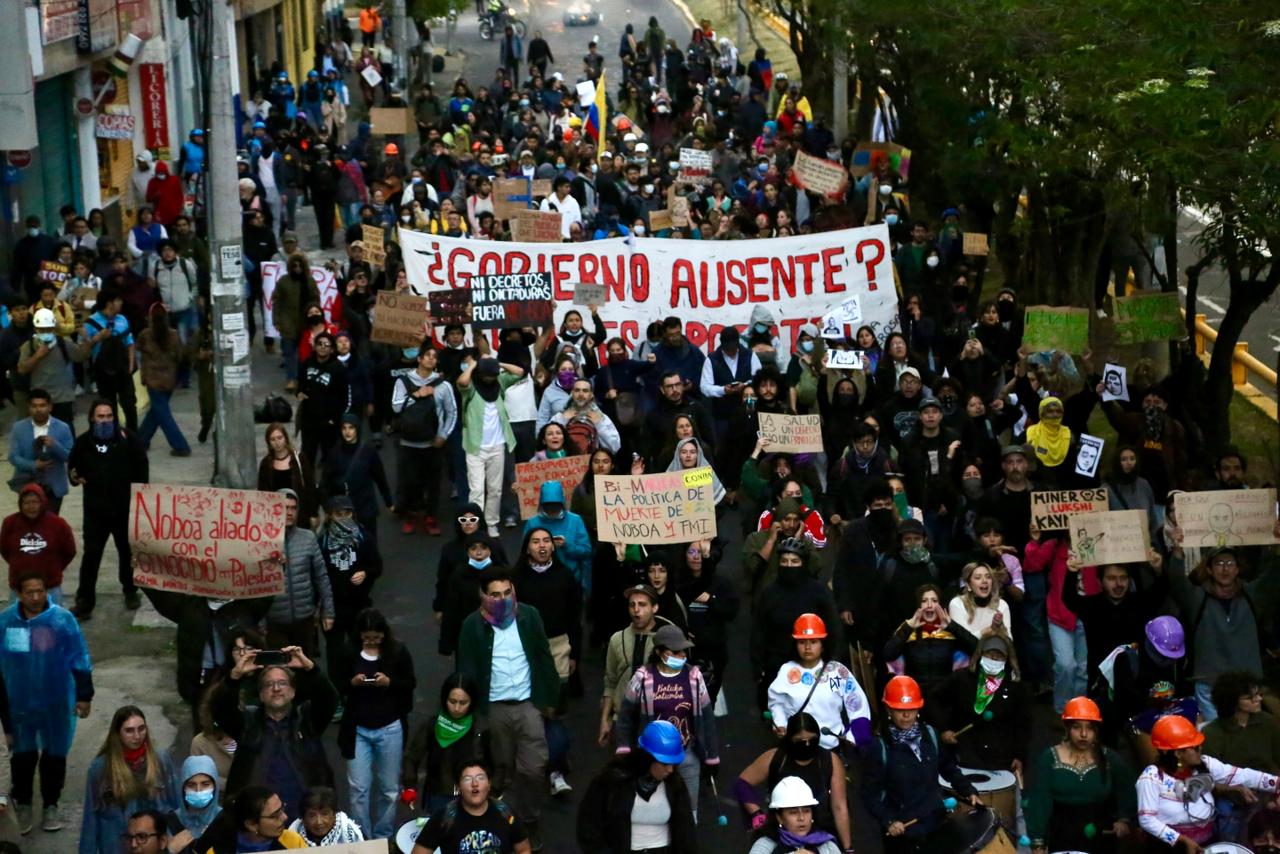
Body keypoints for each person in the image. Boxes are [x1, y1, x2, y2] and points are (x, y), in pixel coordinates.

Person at [456, 567, 557, 849]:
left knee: (534, 768)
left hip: (527, 705)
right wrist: (472, 714)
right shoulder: (471, 626)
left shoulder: (529, 615)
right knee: (501, 773)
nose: (502, 600)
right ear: (483, 596)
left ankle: (529, 821)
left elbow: (543, 655)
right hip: (494, 709)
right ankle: (506, 828)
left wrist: (549, 701)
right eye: (495, 595)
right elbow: (466, 670)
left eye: (507, 593)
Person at [0, 572, 92, 835]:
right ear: (19, 594)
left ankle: (51, 804)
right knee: (22, 757)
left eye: (41, 591)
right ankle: (24, 802)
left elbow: (79, 657)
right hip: (19, 708)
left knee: (54, 756)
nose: (36, 597)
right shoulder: (6, 622)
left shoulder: (62, 621)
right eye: (30, 592)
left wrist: (84, 695)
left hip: (56, 703)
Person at [862, 675, 979, 853]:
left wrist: (968, 790)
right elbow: (870, 795)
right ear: (888, 710)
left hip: (936, 824)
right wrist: (889, 821)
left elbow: (948, 768)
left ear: (919, 708)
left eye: (911, 709)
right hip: (904, 834)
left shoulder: (931, 735)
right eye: (900, 710)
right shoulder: (879, 747)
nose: (907, 715)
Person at [613, 624, 719, 815]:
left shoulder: (694, 677)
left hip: (687, 754)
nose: (682, 656)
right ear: (660, 652)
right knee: (652, 808)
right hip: (653, 758)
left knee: (689, 811)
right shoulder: (643, 678)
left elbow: (707, 718)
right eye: (675, 652)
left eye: (683, 652)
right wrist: (624, 748)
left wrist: (711, 757)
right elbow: (626, 716)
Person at [1137, 713, 1280, 851]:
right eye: (1195, 747)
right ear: (1178, 753)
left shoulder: (1205, 763)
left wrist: (1277, 783)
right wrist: (1181, 839)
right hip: (1170, 847)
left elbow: (1242, 775)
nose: (1201, 749)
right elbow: (1147, 819)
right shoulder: (1151, 777)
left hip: (1207, 842)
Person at [68, 399, 149, 619]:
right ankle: (84, 602)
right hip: (95, 513)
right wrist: (73, 476)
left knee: (126, 553)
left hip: (124, 511)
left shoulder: (129, 440)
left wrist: (142, 499)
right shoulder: (83, 442)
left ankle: (130, 591)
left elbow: (142, 468)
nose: (105, 420)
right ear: (92, 418)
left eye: (109, 416)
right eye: (100, 416)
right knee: (91, 556)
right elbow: (73, 467)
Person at [339, 608, 414, 840]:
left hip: (389, 727)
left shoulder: (398, 652)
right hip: (358, 729)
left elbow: (410, 682)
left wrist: (389, 682)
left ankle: (383, 837)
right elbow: (337, 684)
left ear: (384, 634)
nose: (371, 642)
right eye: (367, 637)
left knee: (389, 791)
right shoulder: (349, 652)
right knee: (358, 790)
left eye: (376, 637)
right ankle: (362, 838)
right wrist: (352, 683)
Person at [1025, 696, 1135, 854]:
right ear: (1067, 728)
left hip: (1100, 836)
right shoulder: (1049, 758)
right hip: (1061, 836)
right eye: (1077, 727)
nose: (1084, 734)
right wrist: (1038, 843)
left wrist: (1123, 819)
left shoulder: (1109, 758)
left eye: (1090, 728)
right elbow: (1039, 803)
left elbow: (1127, 789)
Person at [734, 713, 854, 851]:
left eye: (812, 740)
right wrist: (757, 814)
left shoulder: (830, 761)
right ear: (790, 739)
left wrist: (848, 847)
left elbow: (839, 806)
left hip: (820, 830)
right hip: (780, 834)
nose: (807, 745)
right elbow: (742, 784)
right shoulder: (775, 758)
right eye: (801, 741)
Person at [577, 721, 698, 854]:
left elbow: (686, 832)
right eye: (664, 763)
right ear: (648, 758)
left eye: (673, 764)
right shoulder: (613, 779)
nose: (670, 770)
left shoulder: (675, 784)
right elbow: (589, 824)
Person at [79, 706, 180, 852]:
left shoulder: (161, 760)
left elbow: (176, 807)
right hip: (116, 846)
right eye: (129, 730)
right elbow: (91, 819)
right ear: (118, 734)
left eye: (141, 728)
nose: (137, 736)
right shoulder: (100, 768)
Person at [767, 614, 872, 752]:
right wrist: (781, 724)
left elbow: (856, 703)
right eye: (802, 642)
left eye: (814, 641)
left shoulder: (836, 672)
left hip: (832, 746)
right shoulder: (787, 671)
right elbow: (777, 703)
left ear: (823, 644)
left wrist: (853, 735)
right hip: (797, 746)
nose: (807, 647)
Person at [392, 343, 457, 536]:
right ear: (419, 359)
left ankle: (431, 517)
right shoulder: (403, 382)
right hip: (408, 443)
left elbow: (451, 412)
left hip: (433, 443)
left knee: (433, 482)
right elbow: (396, 406)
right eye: (427, 355)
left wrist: (443, 436)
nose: (431, 358)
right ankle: (412, 515)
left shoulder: (443, 385)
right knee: (410, 482)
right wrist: (417, 395)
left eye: (434, 356)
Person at [457, 356, 527, 537]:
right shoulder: (471, 386)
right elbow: (462, 381)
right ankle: (476, 525)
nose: (490, 378)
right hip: (475, 446)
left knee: (495, 489)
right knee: (477, 490)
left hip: (497, 446)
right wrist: (473, 365)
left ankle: (491, 523)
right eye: (488, 375)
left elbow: (520, 372)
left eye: (493, 375)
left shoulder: (500, 381)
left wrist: (499, 363)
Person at [402, 673, 489, 813]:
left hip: (473, 795)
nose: (457, 708)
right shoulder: (432, 725)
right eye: (452, 701)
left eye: (463, 703)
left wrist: (493, 791)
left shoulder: (482, 728)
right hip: (439, 794)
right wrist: (410, 786)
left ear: (472, 701)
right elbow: (412, 757)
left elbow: (496, 764)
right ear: (444, 699)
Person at [266, 489, 334, 654]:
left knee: (306, 670)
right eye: (284, 508)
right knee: (280, 673)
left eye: (293, 508)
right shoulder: (262, 540)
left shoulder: (308, 538)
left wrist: (328, 611)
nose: (289, 512)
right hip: (274, 622)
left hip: (305, 620)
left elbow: (321, 577)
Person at [415, 759, 531, 854]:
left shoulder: (506, 813)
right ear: (458, 787)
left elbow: (523, 849)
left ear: (489, 784)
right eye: (467, 779)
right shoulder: (444, 817)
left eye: (480, 778)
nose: (474, 784)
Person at [1, 484, 75, 603]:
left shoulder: (58, 523)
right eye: (26, 502)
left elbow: (69, 551)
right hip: (19, 587)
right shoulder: (10, 523)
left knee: (54, 621)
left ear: (43, 502)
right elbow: (4, 550)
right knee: (16, 621)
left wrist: (54, 569)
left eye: (35, 502)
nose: (31, 507)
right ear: (20, 504)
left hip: (50, 586)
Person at [137, 303, 192, 456]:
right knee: (157, 411)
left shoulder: (145, 335)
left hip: (152, 379)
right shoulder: (173, 335)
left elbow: (139, 354)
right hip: (169, 379)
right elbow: (181, 356)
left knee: (162, 414)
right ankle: (141, 440)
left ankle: (181, 445)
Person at [84, 287, 139, 431]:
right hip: (103, 372)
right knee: (109, 406)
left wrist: (131, 365)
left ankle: (133, 435)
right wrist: (97, 338)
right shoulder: (90, 322)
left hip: (123, 370)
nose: (121, 303)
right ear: (109, 303)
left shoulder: (123, 319)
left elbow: (130, 343)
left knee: (129, 404)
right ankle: (111, 435)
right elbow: (83, 350)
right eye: (118, 300)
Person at [193, 785, 307, 852]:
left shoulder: (293, 842)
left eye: (282, 809)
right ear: (252, 825)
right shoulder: (217, 851)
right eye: (275, 815)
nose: (285, 817)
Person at [748, 777, 845, 854]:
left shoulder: (827, 846)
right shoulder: (766, 844)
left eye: (806, 811)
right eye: (793, 813)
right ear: (779, 817)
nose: (801, 818)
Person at [257, 423, 319, 528]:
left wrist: (313, 513)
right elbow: (262, 493)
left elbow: (310, 487)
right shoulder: (266, 464)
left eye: (279, 438)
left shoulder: (299, 459)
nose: (277, 442)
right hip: (276, 517)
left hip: (299, 516)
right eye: (273, 439)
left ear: (285, 438)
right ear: (269, 442)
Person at [167, 756, 222, 849]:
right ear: (182, 787)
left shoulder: (225, 820)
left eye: (205, 784)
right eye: (191, 785)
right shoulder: (172, 820)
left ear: (215, 786)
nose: (198, 790)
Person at [287, 786, 363, 845]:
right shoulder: (293, 834)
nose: (319, 822)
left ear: (335, 814)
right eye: (312, 816)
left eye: (325, 814)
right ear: (303, 819)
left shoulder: (350, 834)